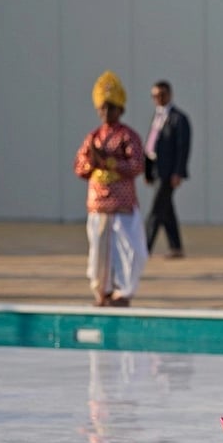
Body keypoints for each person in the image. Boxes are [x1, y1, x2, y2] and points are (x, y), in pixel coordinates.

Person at [73, 70, 149, 307]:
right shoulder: (93, 137)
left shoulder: (128, 136)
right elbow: (79, 166)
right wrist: (93, 162)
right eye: (102, 109)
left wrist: (110, 162)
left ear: (120, 110)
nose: (106, 113)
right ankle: (102, 291)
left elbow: (137, 164)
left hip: (122, 202)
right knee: (99, 251)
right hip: (98, 203)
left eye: (111, 108)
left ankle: (123, 292)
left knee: (130, 249)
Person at [143, 80, 192, 259]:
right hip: (155, 170)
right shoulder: (157, 117)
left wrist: (178, 172)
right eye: (155, 96)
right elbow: (150, 145)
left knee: (156, 210)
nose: (158, 99)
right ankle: (176, 247)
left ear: (169, 95)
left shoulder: (179, 119)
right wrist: (147, 171)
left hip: (168, 172)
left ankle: (144, 247)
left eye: (161, 95)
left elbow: (182, 147)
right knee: (166, 210)